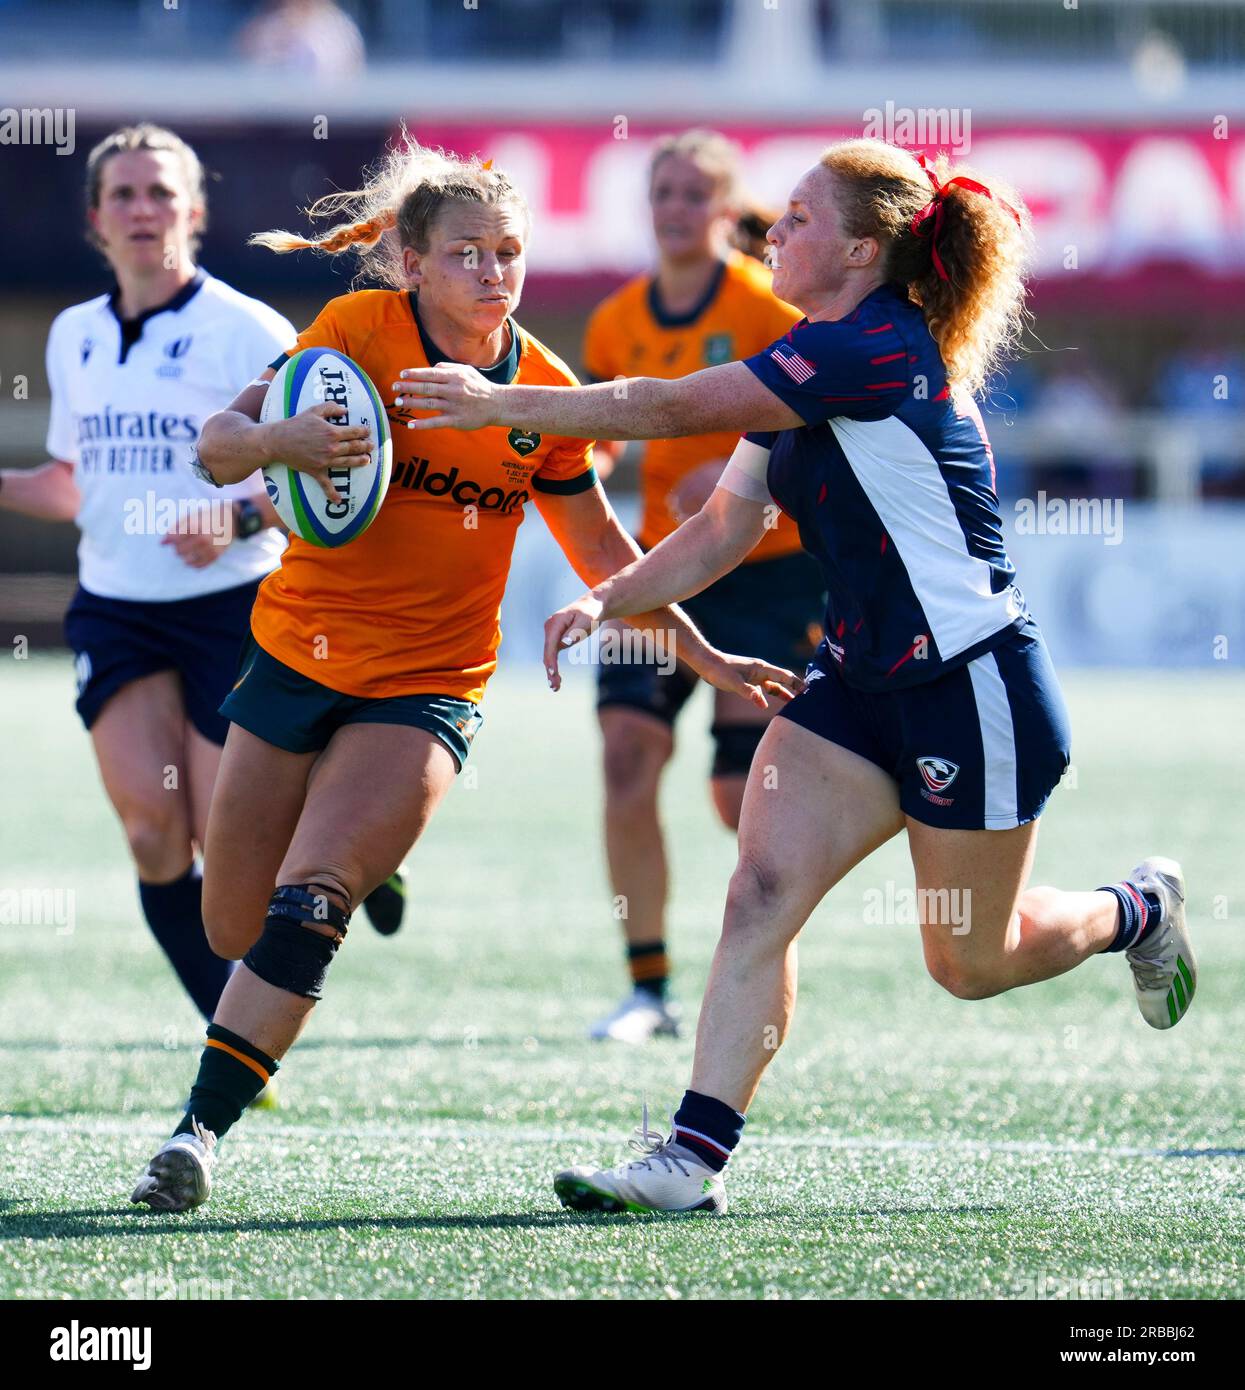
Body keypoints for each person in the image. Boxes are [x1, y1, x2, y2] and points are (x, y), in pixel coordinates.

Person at [394, 138, 1196, 1216]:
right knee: (760, 893)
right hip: (856, 688)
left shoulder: (871, 348)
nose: (776, 231)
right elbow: (726, 527)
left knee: (971, 961)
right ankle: (691, 1158)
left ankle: (1135, 909)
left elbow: (667, 409)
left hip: (973, 686)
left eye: (803, 219)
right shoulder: (816, 349)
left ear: (863, 252)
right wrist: (608, 597)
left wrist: (501, 406)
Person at [129, 139, 799, 1213]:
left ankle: (195, 1133)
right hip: (296, 657)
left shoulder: (541, 390)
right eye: (470, 254)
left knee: (310, 900)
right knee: (230, 922)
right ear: (410, 264)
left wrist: (704, 651)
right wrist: (283, 441)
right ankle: (364, 857)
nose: (496, 274)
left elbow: (604, 554)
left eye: (511, 253)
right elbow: (217, 446)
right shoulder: (351, 337)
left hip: (429, 686)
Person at [0, 124, 291, 1030]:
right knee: (151, 836)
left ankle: (345, 843)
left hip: (232, 608)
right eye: (123, 194)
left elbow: (335, 478)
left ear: (194, 211)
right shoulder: (73, 334)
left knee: (228, 851)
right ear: (96, 217)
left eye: (160, 192)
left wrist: (241, 513)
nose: (141, 209)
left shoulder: (250, 330)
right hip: (116, 612)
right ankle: (232, 1037)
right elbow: (72, 483)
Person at [581, 130, 824, 1043]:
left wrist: (733, 470)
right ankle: (646, 986)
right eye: (663, 192)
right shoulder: (614, 320)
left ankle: (764, 954)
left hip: (766, 572)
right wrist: (585, 464)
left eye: (694, 194)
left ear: (727, 210)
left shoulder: (767, 305)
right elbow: (600, 426)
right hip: (658, 570)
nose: (676, 208)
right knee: (625, 756)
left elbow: (817, 416)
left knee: (737, 796)